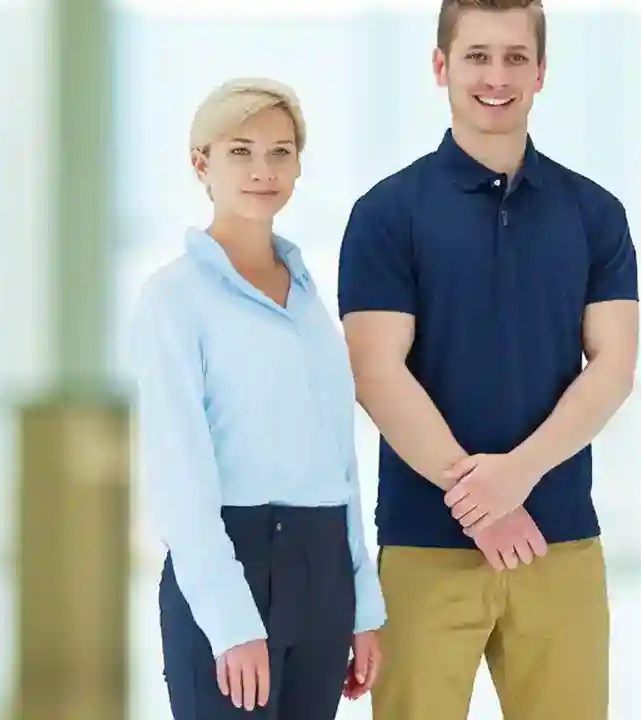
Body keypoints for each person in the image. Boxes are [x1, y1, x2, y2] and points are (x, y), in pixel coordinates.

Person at [336, 1, 640, 718]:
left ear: (540, 72)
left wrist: (519, 475)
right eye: (476, 56)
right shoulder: (387, 213)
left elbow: (614, 367)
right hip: (423, 548)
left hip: (558, 540)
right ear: (441, 67)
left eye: (513, 57)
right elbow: (376, 372)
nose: (495, 76)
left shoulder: (595, 214)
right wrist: (480, 506)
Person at [131, 77, 385, 719]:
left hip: (323, 565)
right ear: (202, 164)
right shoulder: (174, 298)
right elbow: (178, 472)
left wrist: (362, 603)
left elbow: (340, 460)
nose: (263, 170)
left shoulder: (307, 300)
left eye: (280, 152)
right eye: (241, 151)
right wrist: (229, 619)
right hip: (233, 556)